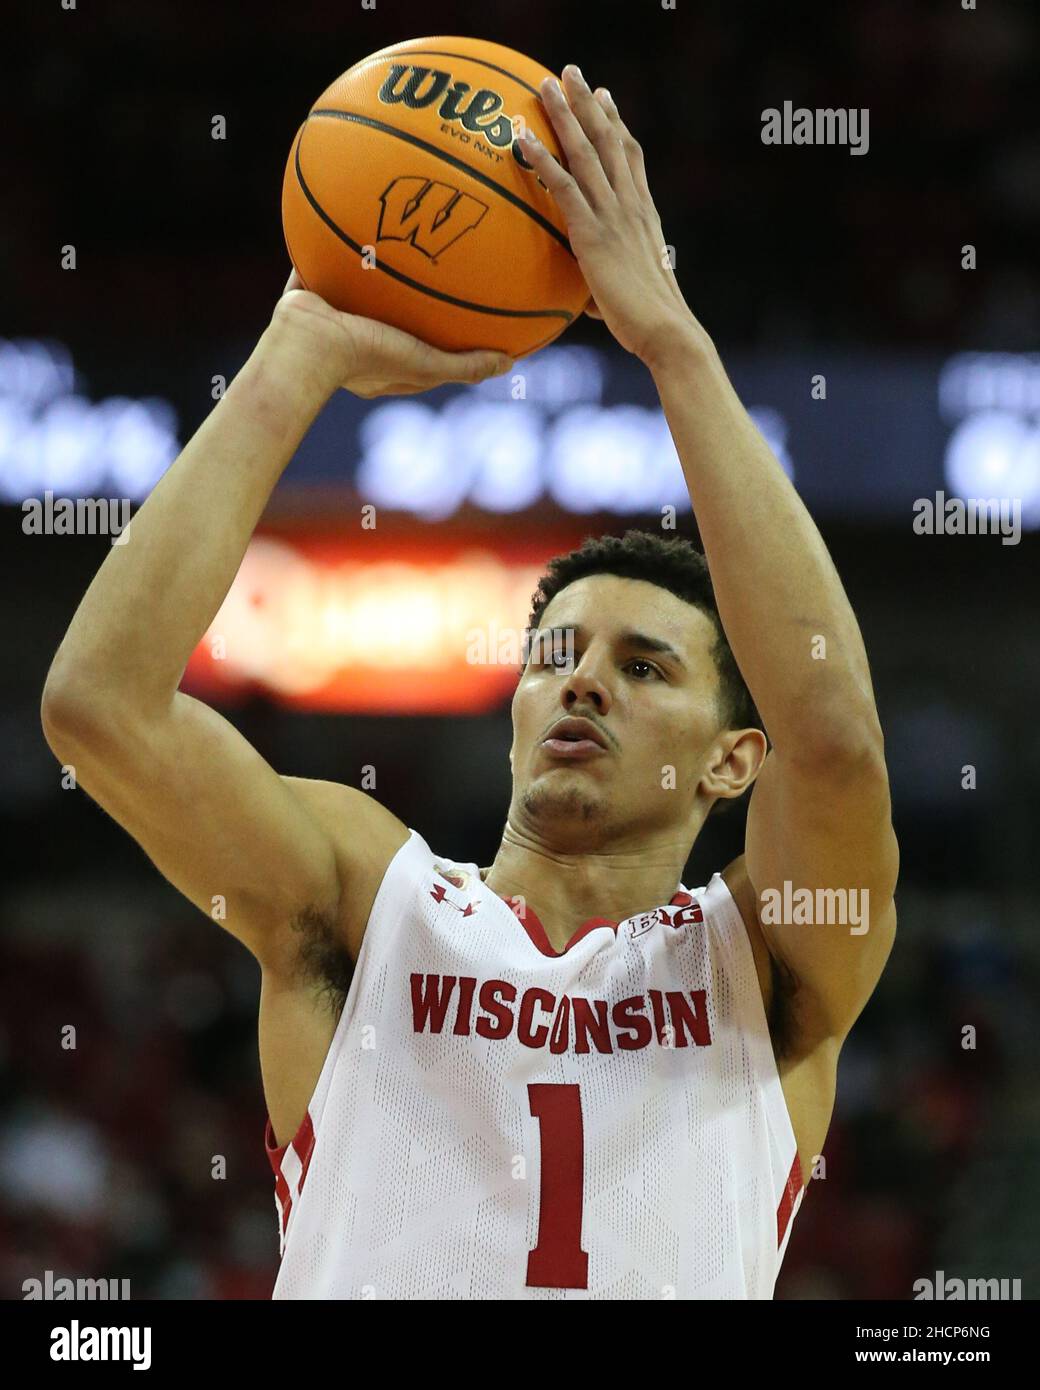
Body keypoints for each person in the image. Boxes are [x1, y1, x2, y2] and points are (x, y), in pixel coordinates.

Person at [40, 66, 897, 1299]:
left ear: (729, 758)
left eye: (642, 666)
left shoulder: (766, 964)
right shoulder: (361, 895)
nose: (581, 683)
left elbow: (834, 743)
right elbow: (97, 707)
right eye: (555, 654)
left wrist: (668, 339)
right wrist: (301, 348)